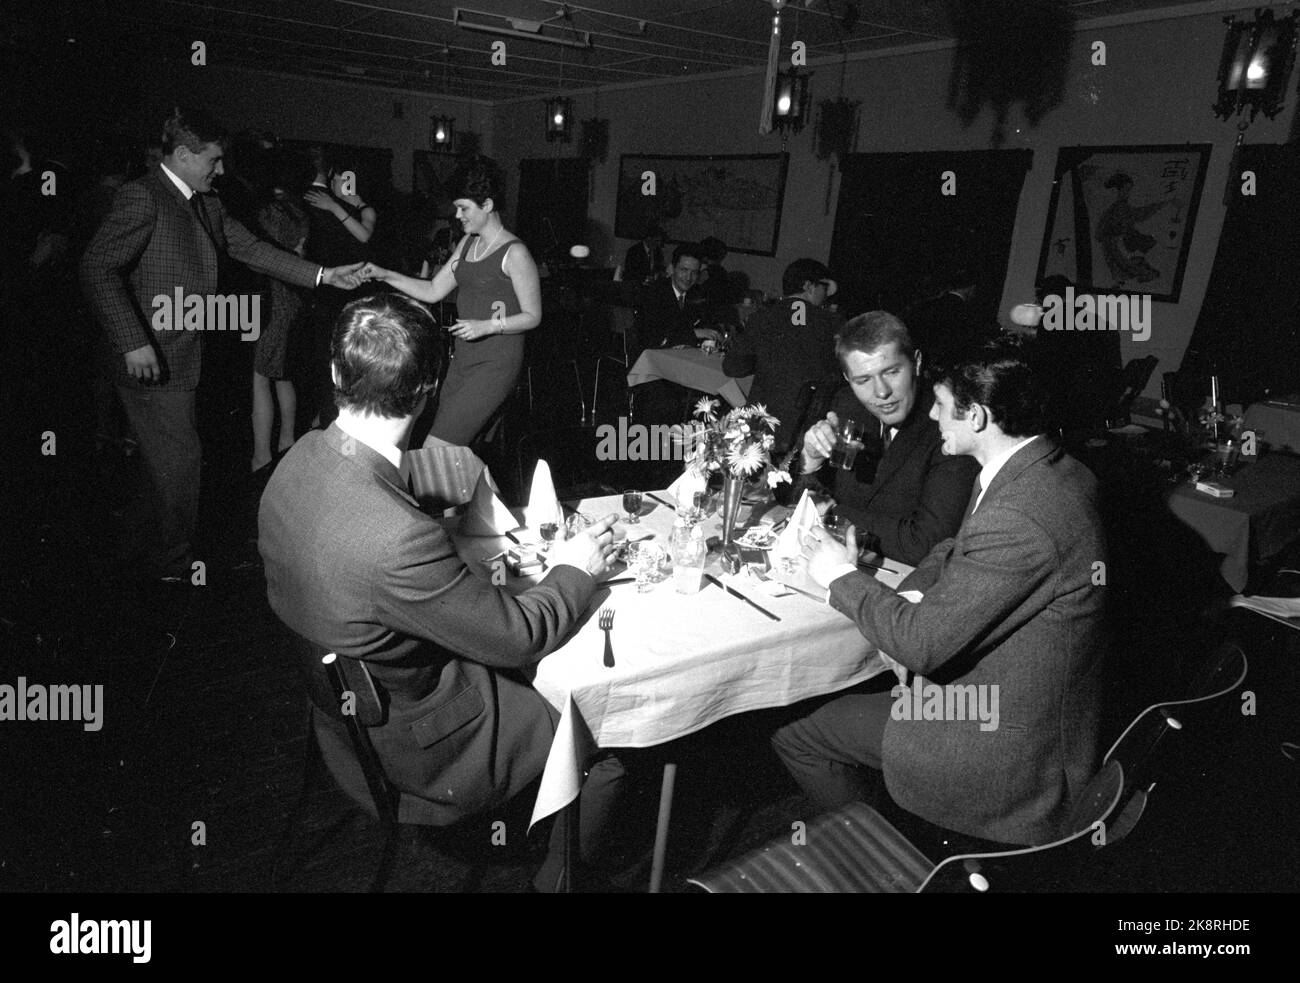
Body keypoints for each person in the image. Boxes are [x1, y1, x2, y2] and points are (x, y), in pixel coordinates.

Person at [258, 293, 626, 892]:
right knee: (611, 725)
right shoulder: (399, 541)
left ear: (334, 372)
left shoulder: (297, 457)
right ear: (430, 387)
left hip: (339, 725)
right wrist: (577, 568)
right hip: (423, 750)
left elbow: (361, 525)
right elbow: (519, 636)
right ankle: (556, 881)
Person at [773, 334, 1108, 847]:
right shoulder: (1036, 464)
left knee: (798, 734)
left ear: (976, 417)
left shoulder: (1021, 515)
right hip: (1013, 700)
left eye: (943, 406)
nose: (931, 415)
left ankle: (886, 857)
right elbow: (954, 545)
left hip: (1002, 744)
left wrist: (837, 574)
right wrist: (910, 595)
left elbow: (922, 647)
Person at [80, 106, 361, 583]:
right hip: (152, 357)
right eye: (214, 159)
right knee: (183, 460)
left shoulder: (205, 202)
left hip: (182, 354)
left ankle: (136, 554)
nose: (222, 169)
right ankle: (170, 567)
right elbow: (96, 268)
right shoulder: (143, 196)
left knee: (163, 464)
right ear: (185, 155)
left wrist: (323, 274)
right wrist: (132, 341)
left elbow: (251, 248)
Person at [359, 156, 539, 447]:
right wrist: (384, 274)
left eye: (463, 207)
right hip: (462, 360)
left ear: (488, 205)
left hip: (496, 364)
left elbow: (533, 315)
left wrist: (487, 326)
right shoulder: (468, 244)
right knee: (458, 452)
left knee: (437, 448)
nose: (457, 215)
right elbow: (433, 289)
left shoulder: (514, 252)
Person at [791, 312, 977, 565]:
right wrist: (811, 460)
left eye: (891, 372)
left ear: (917, 362)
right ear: (848, 379)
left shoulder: (949, 423)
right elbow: (786, 496)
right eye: (863, 379)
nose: (881, 392)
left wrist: (829, 512)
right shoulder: (845, 404)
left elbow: (924, 544)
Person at [722, 258, 843, 456]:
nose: (825, 296)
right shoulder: (832, 322)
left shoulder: (761, 317)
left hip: (760, 426)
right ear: (808, 286)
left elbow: (733, 367)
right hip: (810, 430)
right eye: (822, 287)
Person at [302, 148, 378, 430]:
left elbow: (364, 235)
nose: (343, 184)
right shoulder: (320, 204)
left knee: (343, 356)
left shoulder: (361, 208)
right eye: (340, 179)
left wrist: (339, 205)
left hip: (350, 290)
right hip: (328, 287)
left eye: (349, 180)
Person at [250, 149, 314, 471]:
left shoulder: (268, 211)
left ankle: (261, 454)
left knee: (261, 375)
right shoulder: (298, 210)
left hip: (273, 297)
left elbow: (260, 257)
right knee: (280, 372)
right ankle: (285, 441)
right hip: (293, 297)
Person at [902, 267, 996, 371]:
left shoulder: (930, 304)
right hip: (948, 367)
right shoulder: (967, 312)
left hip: (925, 363)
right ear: (971, 288)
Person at [634, 243, 723, 351]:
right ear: (672, 268)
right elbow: (654, 338)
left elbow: (710, 325)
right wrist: (693, 334)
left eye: (694, 272)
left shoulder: (696, 294)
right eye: (684, 270)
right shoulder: (654, 294)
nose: (689, 278)